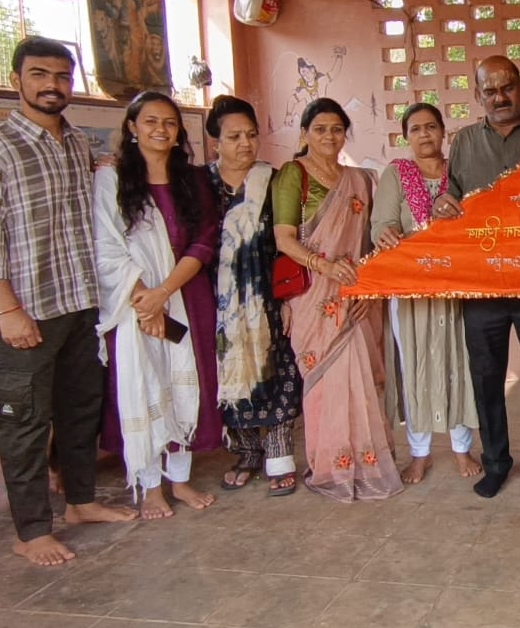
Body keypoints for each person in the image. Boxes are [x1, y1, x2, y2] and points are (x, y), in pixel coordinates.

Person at [0, 37, 137, 565]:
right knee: (25, 422)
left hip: (81, 302)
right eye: (39, 74)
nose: (52, 85)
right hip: (28, 308)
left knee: (81, 409)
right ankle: (32, 530)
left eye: (61, 76)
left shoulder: (79, 144)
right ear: (17, 80)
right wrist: (7, 310)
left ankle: (80, 502)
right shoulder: (4, 145)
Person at [432, 55, 520, 501]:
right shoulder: (465, 141)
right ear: (477, 95)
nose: (500, 97)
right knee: (487, 379)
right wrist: (443, 204)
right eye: (490, 90)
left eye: (507, 87)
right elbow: (453, 193)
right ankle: (496, 463)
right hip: (482, 285)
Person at [94, 91, 220, 519]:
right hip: (133, 302)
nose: (161, 130)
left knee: (186, 381)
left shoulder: (192, 179)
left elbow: (204, 240)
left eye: (169, 122)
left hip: (185, 296)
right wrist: (143, 300)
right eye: (150, 121)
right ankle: (150, 486)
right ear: (132, 127)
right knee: (145, 381)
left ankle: (179, 479)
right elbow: (106, 246)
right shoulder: (111, 179)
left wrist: (163, 292)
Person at [272, 98, 402, 502]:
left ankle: (368, 462)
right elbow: (284, 239)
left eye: (336, 129)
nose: (329, 136)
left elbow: (372, 240)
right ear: (305, 134)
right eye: (320, 129)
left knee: (363, 377)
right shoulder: (293, 174)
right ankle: (331, 466)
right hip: (314, 295)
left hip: (357, 291)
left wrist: (368, 290)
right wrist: (324, 266)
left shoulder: (361, 179)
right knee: (325, 381)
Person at [371, 103, 480, 484]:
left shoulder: (458, 172)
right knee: (414, 365)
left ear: (443, 132)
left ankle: (462, 448)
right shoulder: (396, 175)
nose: (424, 134)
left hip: (455, 287)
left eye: (431, 127)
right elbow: (381, 223)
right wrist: (385, 233)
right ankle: (420, 453)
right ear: (406, 136)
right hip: (411, 289)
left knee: (458, 363)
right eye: (415, 129)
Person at [205, 95, 302, 497]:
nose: (245, 143)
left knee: (279, 369)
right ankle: (246, 451)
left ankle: (279, 452)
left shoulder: (273, 180)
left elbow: (289, 241)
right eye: (234, 137)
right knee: (229, 367)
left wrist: (289, 299)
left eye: (251, 134)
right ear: (215, 143)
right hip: (218, 300)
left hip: (269, 297)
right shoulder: (200, 185)